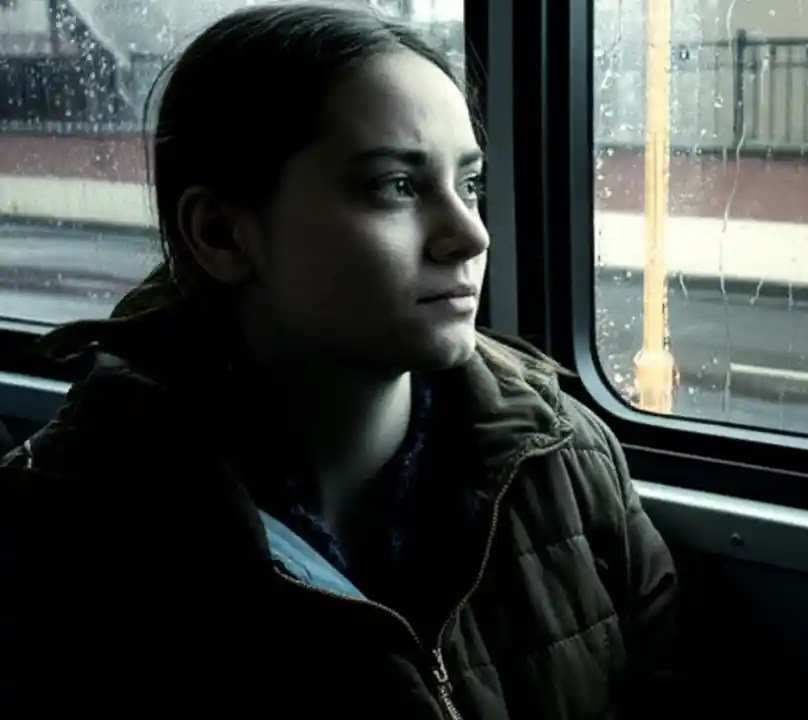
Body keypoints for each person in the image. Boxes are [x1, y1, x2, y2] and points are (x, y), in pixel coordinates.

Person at [0, 3, 677, 717]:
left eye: (468, 184)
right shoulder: (67, 533)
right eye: (397, 185)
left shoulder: (565, 458)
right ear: (222, 233)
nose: (470, 234)